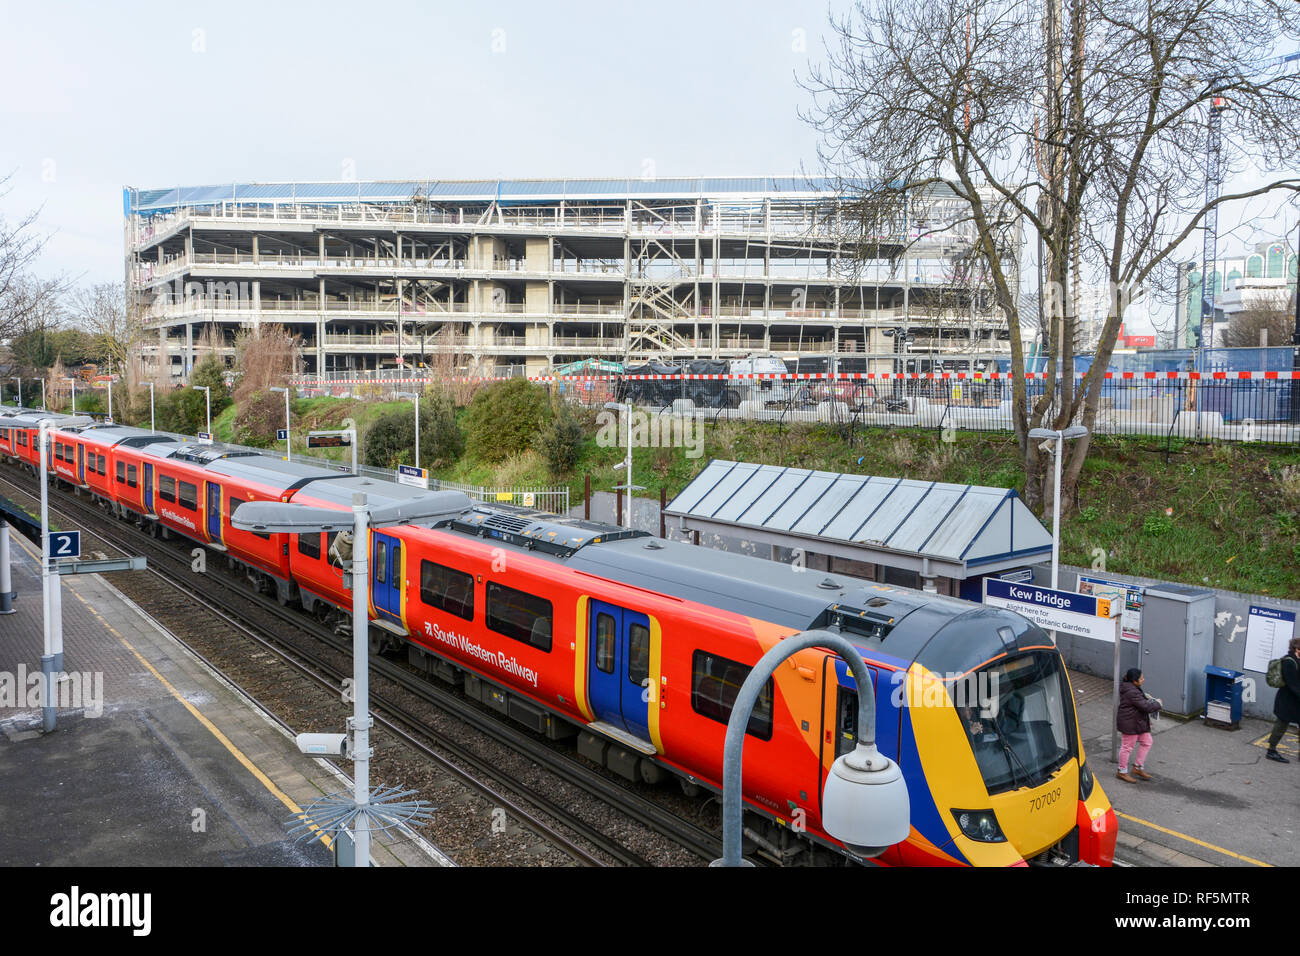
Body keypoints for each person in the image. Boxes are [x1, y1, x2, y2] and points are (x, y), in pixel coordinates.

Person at [1116, 668, 1161, 783]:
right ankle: (1122, 771)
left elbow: (1139, 702)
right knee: (1127, 747)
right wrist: (1158, 703)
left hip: (1137, 722)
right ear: (1134, 681)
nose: (1143, 679)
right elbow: (1146, 707)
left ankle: (1137, 767)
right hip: (1130, 723)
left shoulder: (1131, 687)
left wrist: (1145, 696)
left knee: (1147, 742)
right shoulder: (1132, 691)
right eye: (1141, 678)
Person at [1265, 637, 1300, 763]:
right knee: (1281, 725)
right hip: (1287, 700)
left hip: (1295, 701)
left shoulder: (1297, 660)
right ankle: (1271, 750)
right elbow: (1293, 684)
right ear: (1297, 649)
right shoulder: (1289, 662)